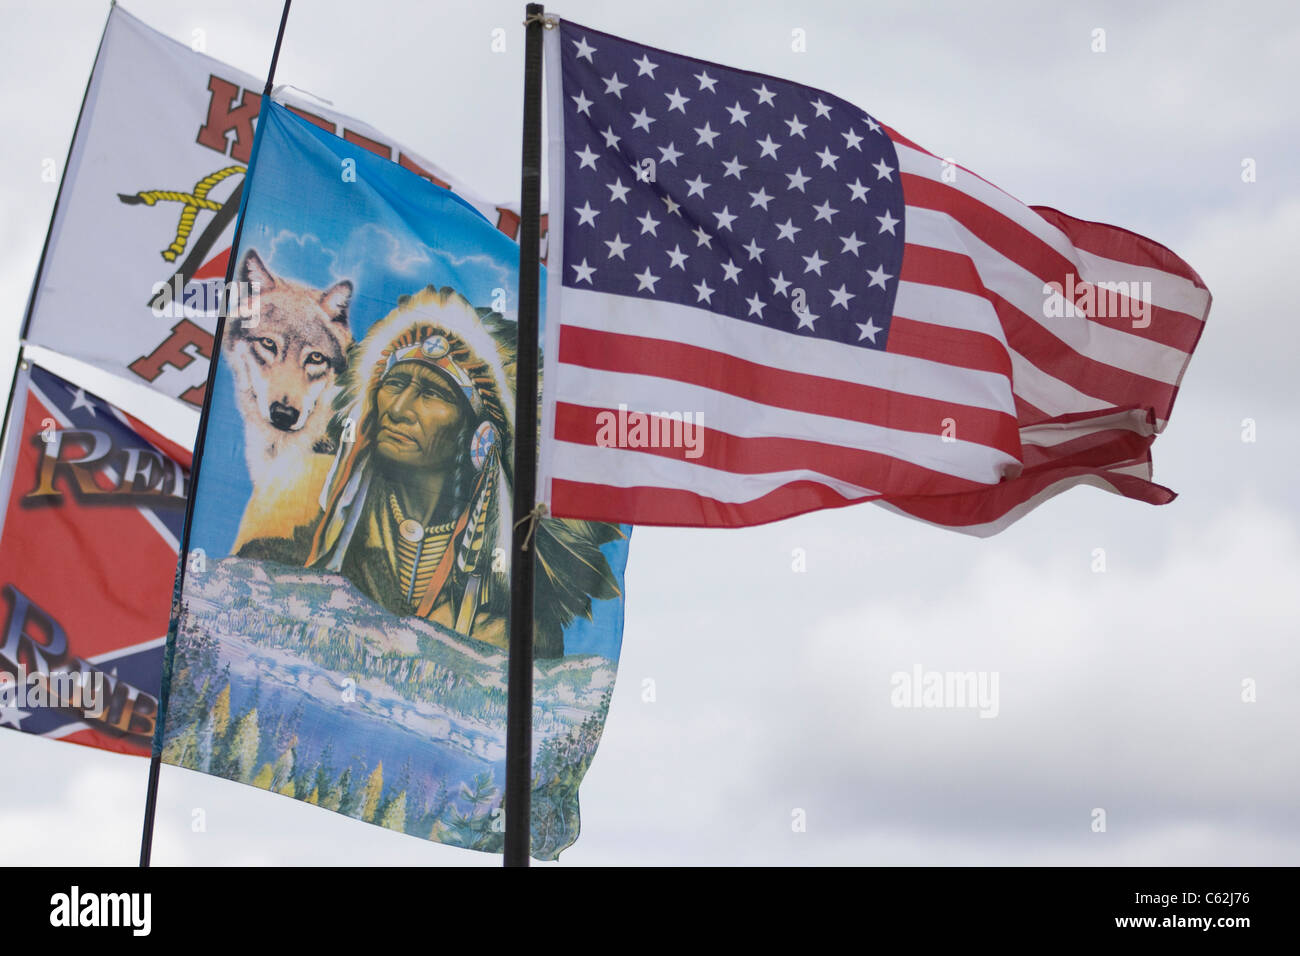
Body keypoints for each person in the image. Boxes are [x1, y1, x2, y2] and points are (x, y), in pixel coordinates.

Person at [240, 284, 621, 657]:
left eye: (431, 393)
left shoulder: (513, 626)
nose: (399, 408)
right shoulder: (296, 553)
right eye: (395, 384)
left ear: (480, 431)